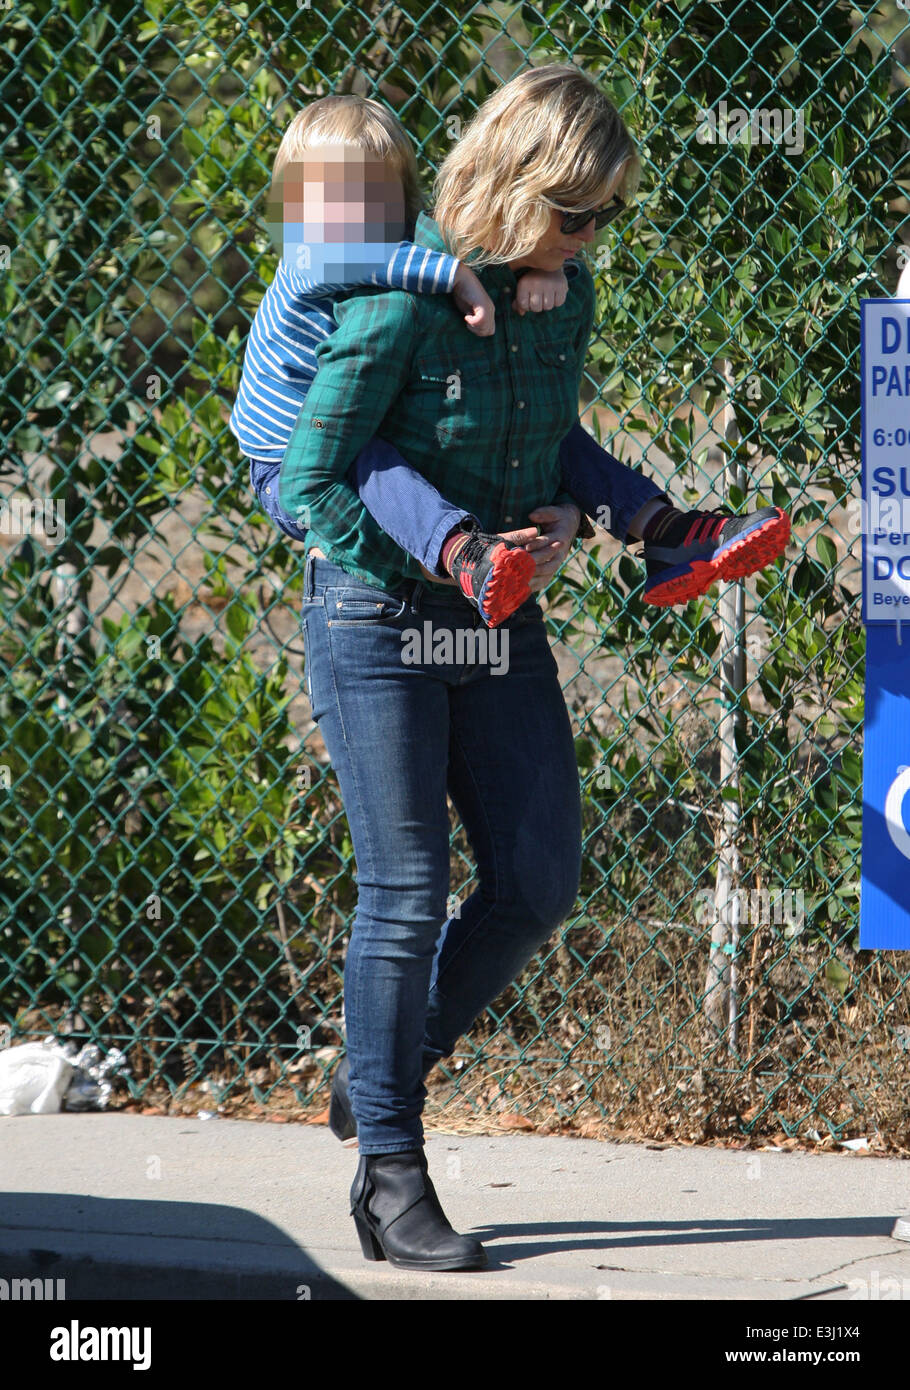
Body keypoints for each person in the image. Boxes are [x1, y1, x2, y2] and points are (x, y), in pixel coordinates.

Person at [278, 64, 790, 1275]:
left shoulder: (564, 298)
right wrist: (451, 552)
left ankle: (379, 1074)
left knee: (540, 879)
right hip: (379, 620)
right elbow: (316, 473)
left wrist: (584, 511)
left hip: (499, 617)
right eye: (575, 212)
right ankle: (392, 1171)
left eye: (607, 214)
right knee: (404, 894)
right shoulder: (402, 299)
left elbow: (547, 432)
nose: (591, 236)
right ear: (513, 189)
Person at [231, 94, 789, 627]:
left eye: (382, 198)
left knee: (562, 435)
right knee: (372, 458)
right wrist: (458, 278)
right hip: (281, 462)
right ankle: (459, 551)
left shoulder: (400, 250)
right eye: (337, 200)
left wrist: (545, 264)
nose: (362, 218)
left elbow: (446, 242)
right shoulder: (313, 256)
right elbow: (401, 258)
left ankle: (662, 528)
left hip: (353, 443)